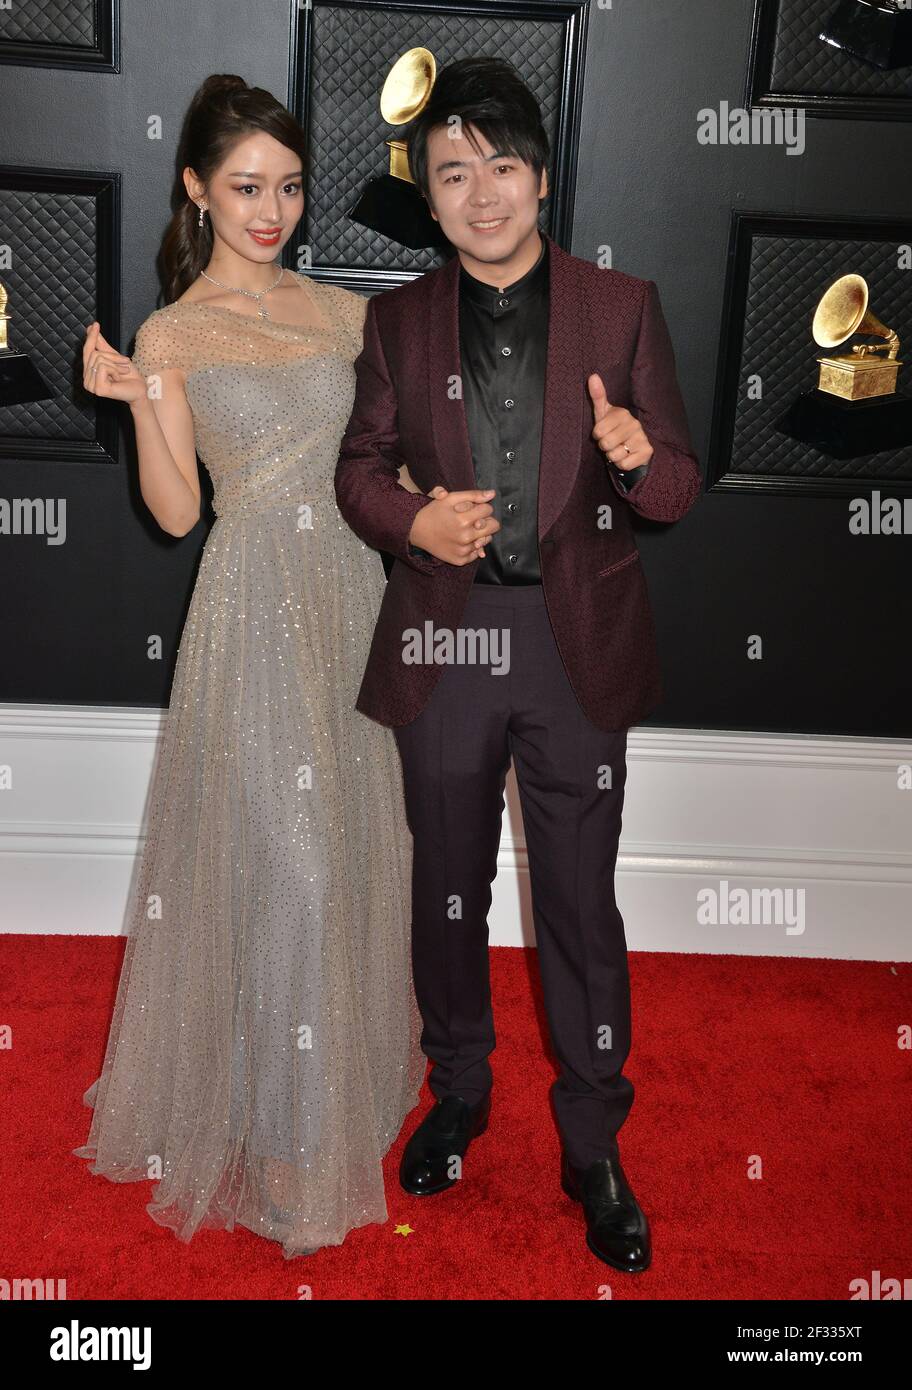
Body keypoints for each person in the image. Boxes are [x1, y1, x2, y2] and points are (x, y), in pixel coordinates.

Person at [334, 57, 701, 1273]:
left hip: (573, 642)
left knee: (578, 902)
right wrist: (411, 522)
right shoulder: (394, 322)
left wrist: (637, 455)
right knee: (448, 886)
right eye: (453, 172)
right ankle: (458, 1090)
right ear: (428, 199)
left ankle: (593, 1140)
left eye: (500, 165)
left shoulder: (623, 305)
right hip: (446, 641)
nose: (480, 193)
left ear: (540, 178)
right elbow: (359, 470)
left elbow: (676, 489)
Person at [73, 73, 424, 1259]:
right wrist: (134, 402)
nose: (269, 211)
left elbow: (391, 468)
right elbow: (175, 514)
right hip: (252, 606)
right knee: (294, 869)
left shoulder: (346, 316)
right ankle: (280, 1133)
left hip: (352, 602)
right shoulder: (170, 333)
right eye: (243, 188)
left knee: (356, 850)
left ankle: (323, 1098)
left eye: (284, 187)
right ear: (197, 192)